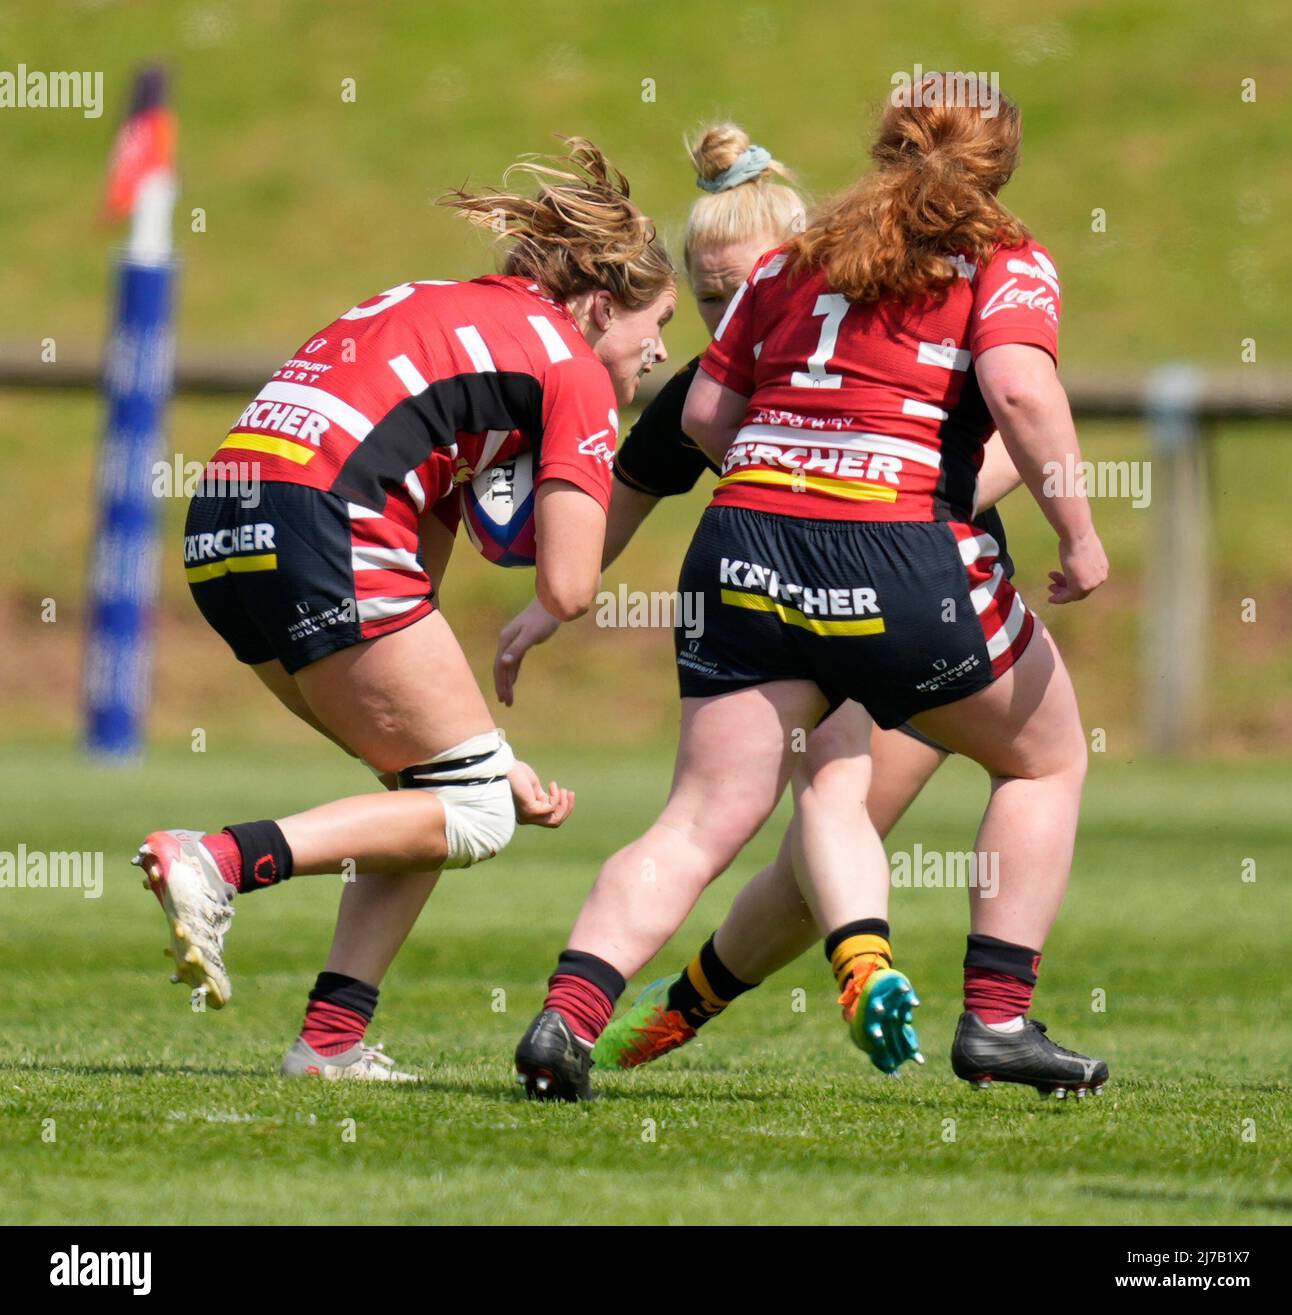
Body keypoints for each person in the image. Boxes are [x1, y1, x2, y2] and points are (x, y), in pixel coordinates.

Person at [514, 83, 1111, 1102]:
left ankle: (566, 1020)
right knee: (1047, 760)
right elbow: (1017, 391)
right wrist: (1080, 534)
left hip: (744, 545)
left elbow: (705, 412)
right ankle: (999, 1018)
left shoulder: (793, 258)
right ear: (998, 169)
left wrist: (788, 473)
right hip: (898, 561)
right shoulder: (1005, 258)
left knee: (703, 818)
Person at [132, 138, 677, 1081]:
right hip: (323, 518)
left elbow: (419, 574)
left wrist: (490, 756)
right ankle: (218, 858)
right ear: (597, 305)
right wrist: (573, 465)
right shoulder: (573, 366)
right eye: (658, 322)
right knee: (470, 813)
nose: (662, 349)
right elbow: (571, 585)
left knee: (433, 786)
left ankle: (331, 1043)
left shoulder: (432, 300)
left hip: (224, 519)